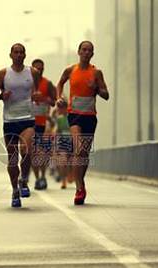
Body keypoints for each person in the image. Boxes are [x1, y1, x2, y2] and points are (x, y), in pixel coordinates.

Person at [56, 41, 109, 205]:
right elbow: (60, 83)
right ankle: (79, 187)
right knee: (78, 150)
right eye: (84, 50)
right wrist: (59, 97)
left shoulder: (96, 73)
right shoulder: (71, 70)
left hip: (90, 116)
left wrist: (97, 89)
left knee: (84, 154)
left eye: (89, 50)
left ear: (92, 54)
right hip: (74, 116)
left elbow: (106, 95)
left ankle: (81, 182)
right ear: (78, 52)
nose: (86, 52)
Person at [0, 43, 40, 208]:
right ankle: (14, 191)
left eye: (21, 52)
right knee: (12, 160)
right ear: (10, 55)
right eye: (16, 52)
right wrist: (0, 96)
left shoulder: (32, 72)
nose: (18, 55)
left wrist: (38, 96)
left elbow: (38, 91)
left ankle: (24, 179)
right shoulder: (4, 73)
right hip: (10, 121)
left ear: (25, 55)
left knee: (26, 150)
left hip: (27, 119)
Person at [30, 58, 56, 190]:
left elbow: (54, 101)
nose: (39, 70)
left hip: (43, 122)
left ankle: (43, 175)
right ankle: (37, 178)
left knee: (44, 152)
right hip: (29, 122)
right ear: (31, 69)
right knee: (33, 152)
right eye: (36, 68)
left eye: (41, 68)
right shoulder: (26, 83)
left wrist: (44, 98)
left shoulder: (48, 84)